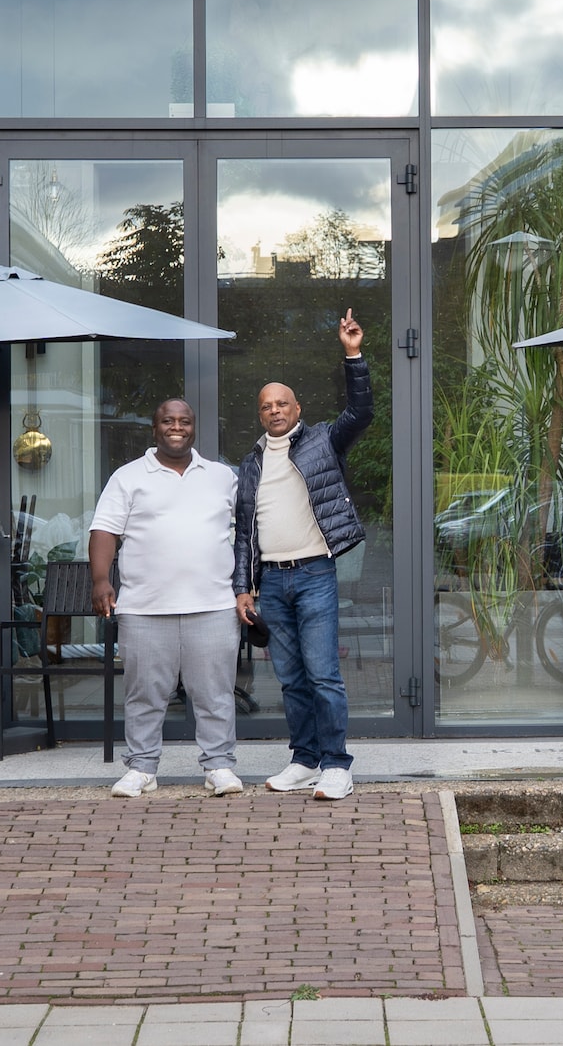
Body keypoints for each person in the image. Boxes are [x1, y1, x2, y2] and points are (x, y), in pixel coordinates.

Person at [233, 310, 372, 801]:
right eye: (266, 405)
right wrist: (242, 587)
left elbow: (361, 414)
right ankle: (304, 759)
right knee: (290, 678)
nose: (274, 410)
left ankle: (337, 764)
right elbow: (243, 532)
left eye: (282, 403)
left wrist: (352, 355)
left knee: (323, 675)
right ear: (261, 413)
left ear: (297, 408)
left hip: (314, 572)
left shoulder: (322, 442)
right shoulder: (250, 465)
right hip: (271, 581)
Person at [89, 396, 243, 798]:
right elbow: (104, 531)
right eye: (168, 421)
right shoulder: (127, 477)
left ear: (194, 427)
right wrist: (101, 579)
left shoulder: (222, 476)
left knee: (215, 693)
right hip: (144, 608)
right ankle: (142, 768)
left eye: (184, 421)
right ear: (154, 427)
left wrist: (247, 588)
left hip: (212, 604)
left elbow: (246, 536)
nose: (177, 427)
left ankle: (220, 767)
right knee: (143, 694)